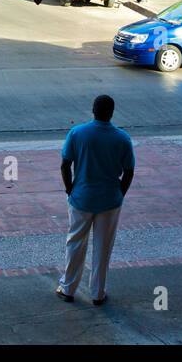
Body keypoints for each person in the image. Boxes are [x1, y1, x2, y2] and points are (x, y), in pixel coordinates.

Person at [56, 95, 135, 306]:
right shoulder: (122, 138)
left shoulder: (77, 133)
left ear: (93, 110)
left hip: (81, 198)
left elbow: (65, 165)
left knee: (75, 243)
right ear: (112, 112)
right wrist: (120, 193)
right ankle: (98, 293)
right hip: (110, 201)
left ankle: (68, 288)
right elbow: (128, 171)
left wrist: (70, 189)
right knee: (103, 247)